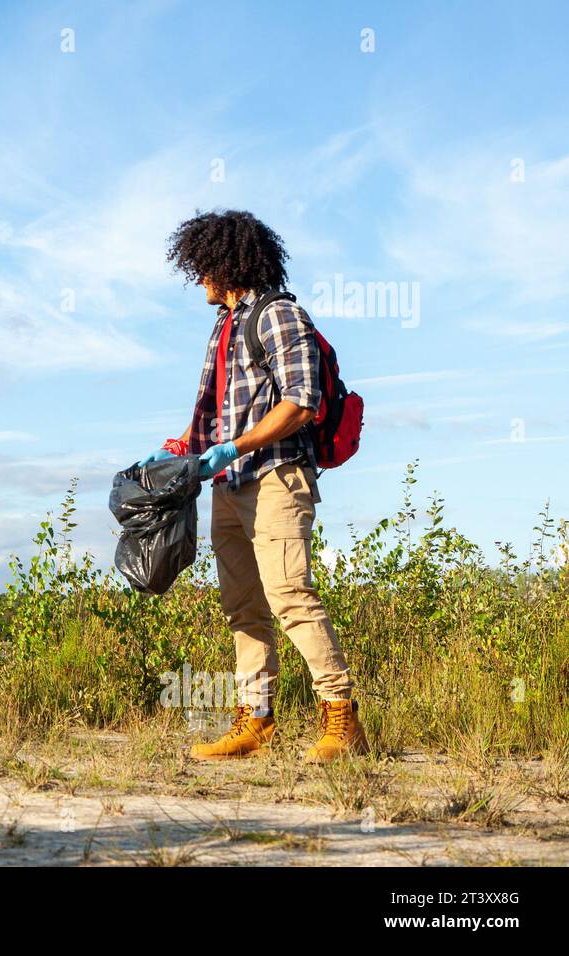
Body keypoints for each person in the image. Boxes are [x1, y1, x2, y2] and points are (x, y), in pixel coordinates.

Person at [130, 209, 368, 763]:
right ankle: (255, 724)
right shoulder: (224, 325)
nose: (198, 280)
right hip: (227, 484)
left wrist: (234, 448)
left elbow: (301, 403)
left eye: (202, 267)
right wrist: (177, 447)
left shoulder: (279, 315)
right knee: (243, 607)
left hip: (276, 478)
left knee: (290, 596)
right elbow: (219, 414)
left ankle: (342, 722)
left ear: (225, 262)